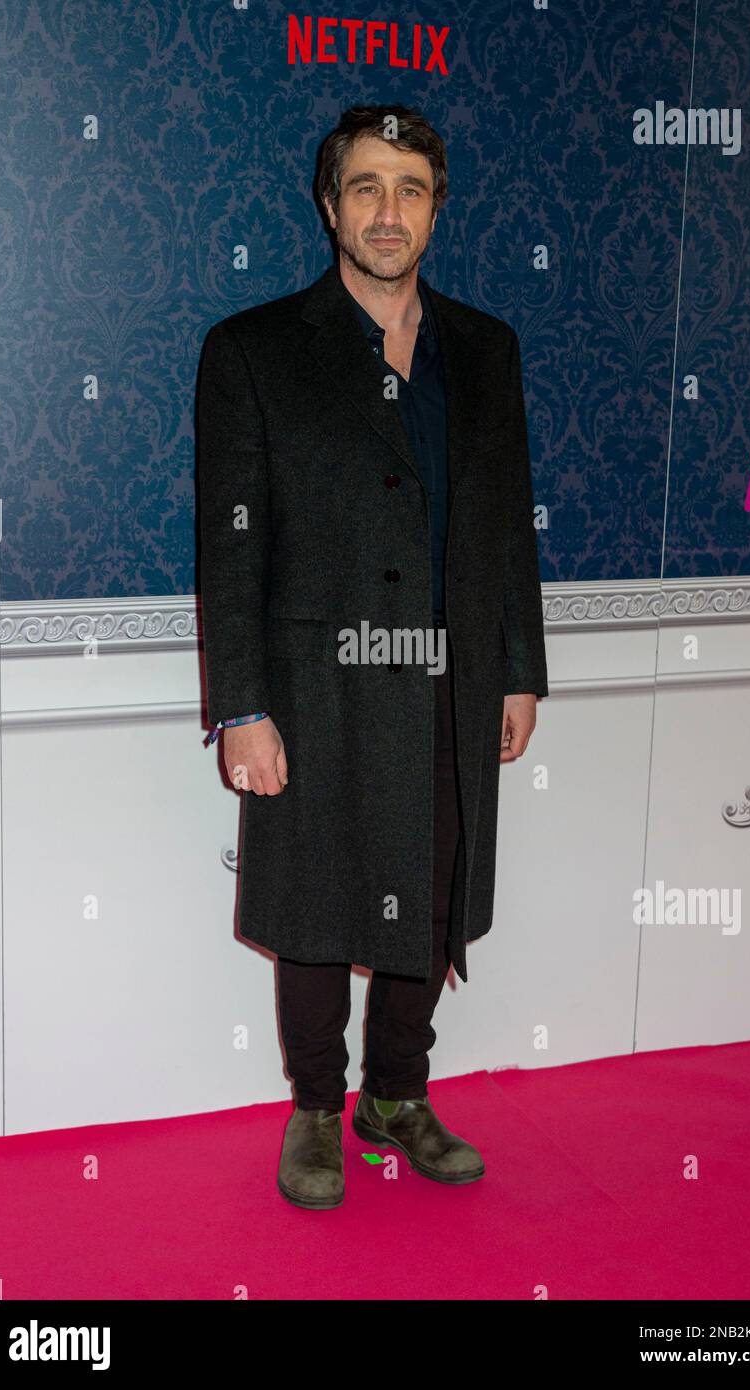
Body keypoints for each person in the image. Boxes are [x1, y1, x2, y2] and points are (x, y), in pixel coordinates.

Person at [196, 104, 548, 1210]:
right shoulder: (251, 351)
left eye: (408, 189)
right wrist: (241, 705)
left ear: (436, 209)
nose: (386, 211)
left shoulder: (484, 349)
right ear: (327, 204)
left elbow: (504, 523)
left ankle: (398, 1093)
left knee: (428, 879)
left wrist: (518, 665)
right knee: (315, 891)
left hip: (451, 680)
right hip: (315, 681)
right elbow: (228, 546)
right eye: (364, 187)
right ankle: (314, 1106)